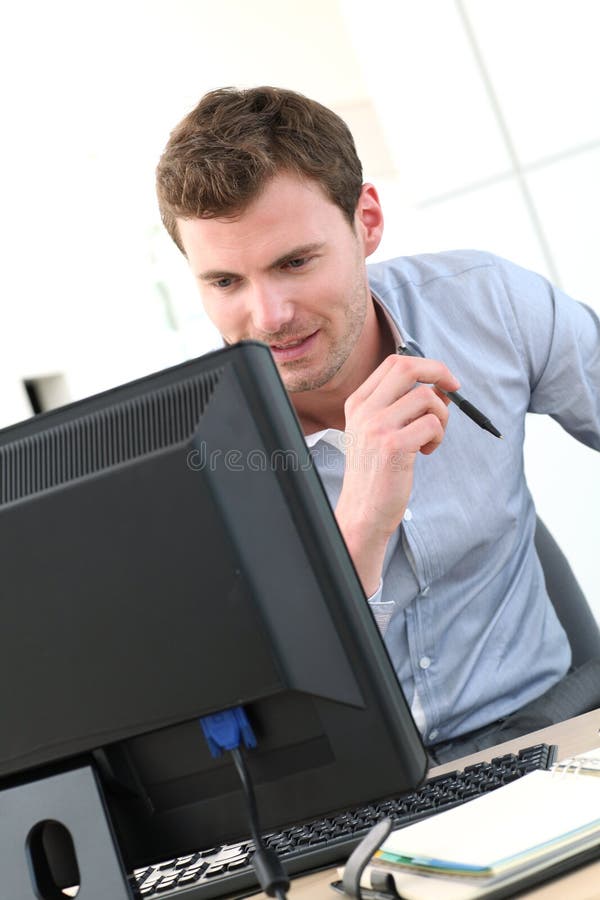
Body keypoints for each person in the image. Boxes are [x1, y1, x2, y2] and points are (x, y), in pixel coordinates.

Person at [155, 86, 600, 763]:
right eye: (225, 283)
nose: (268, 314)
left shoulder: (490, 306)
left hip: (549, 729)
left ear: (366, 221)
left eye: (295, 262)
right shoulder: (185, 451)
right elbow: (244, 715)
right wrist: (359, 526)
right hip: (360, 788)